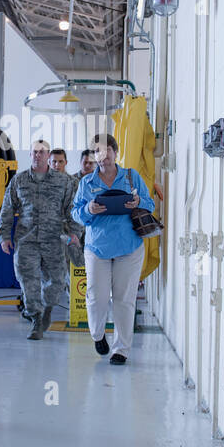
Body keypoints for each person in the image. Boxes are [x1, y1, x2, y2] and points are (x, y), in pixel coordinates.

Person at [71, 132, 154, 365]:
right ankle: (98, 335)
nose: (103, 156)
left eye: (108, 150)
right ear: (94, 155)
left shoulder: (131, 177)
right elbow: (75, 213)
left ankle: (121, 349)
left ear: (116, 153)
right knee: (96, 297)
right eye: (98, 151)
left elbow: (150, 203)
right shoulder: (87, 183)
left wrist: (138, 203)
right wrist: (88, 209)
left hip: (129, 246)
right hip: (97, 248)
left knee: (124, 299)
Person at [0, 140, 80, 339]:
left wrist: (74, 233)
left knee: (57, 281)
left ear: (48, 155)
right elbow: (7, 209)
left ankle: (48, 308)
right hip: (27, 239)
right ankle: (36, 317)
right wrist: (3, 236)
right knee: (28, 280)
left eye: (42, 152)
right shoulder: (19, 180)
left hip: (54, 238)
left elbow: (72, 210)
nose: (37, 155)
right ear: (30, 154)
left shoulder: (64, 182)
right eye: (34, 152)